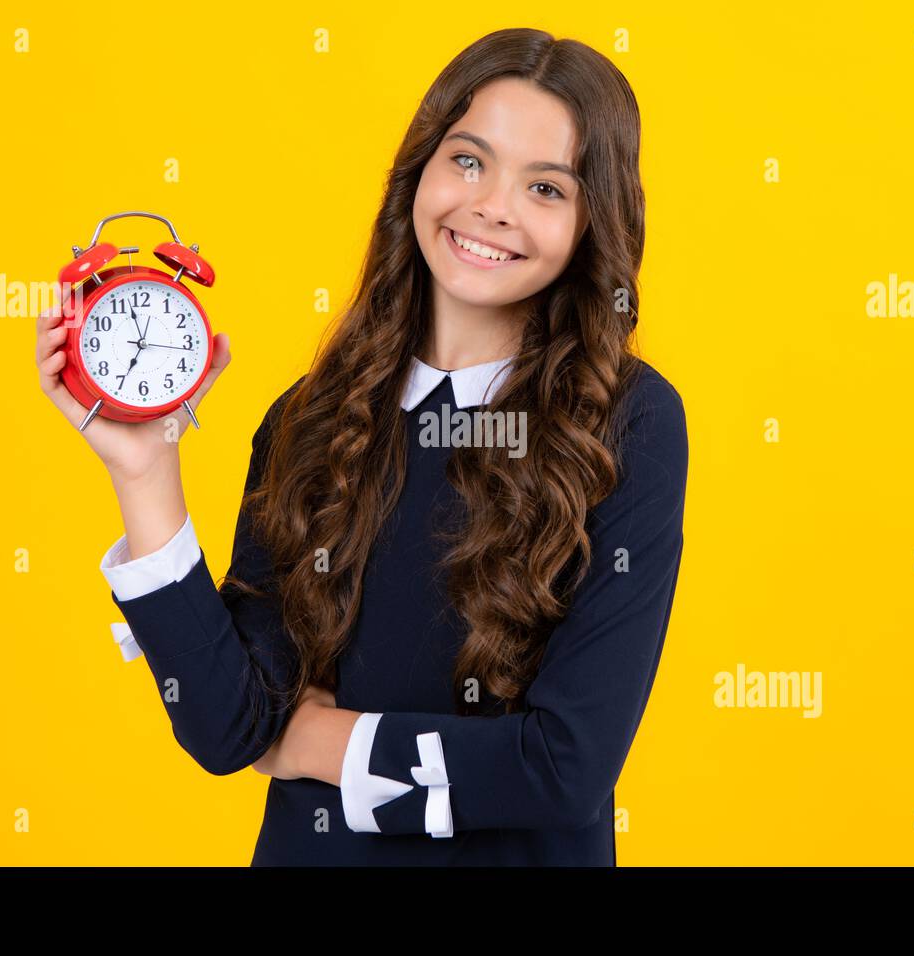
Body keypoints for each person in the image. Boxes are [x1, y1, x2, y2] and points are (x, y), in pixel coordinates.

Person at [35, 26, 688, 866]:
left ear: (593, 220)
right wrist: (148, 472)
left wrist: (317, 745)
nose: (492, 205)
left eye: (547, 188)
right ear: (419, 171)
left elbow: (563, 768)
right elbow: (230, 725)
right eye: (468, 160)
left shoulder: (626, 421)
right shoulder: (309, 418)